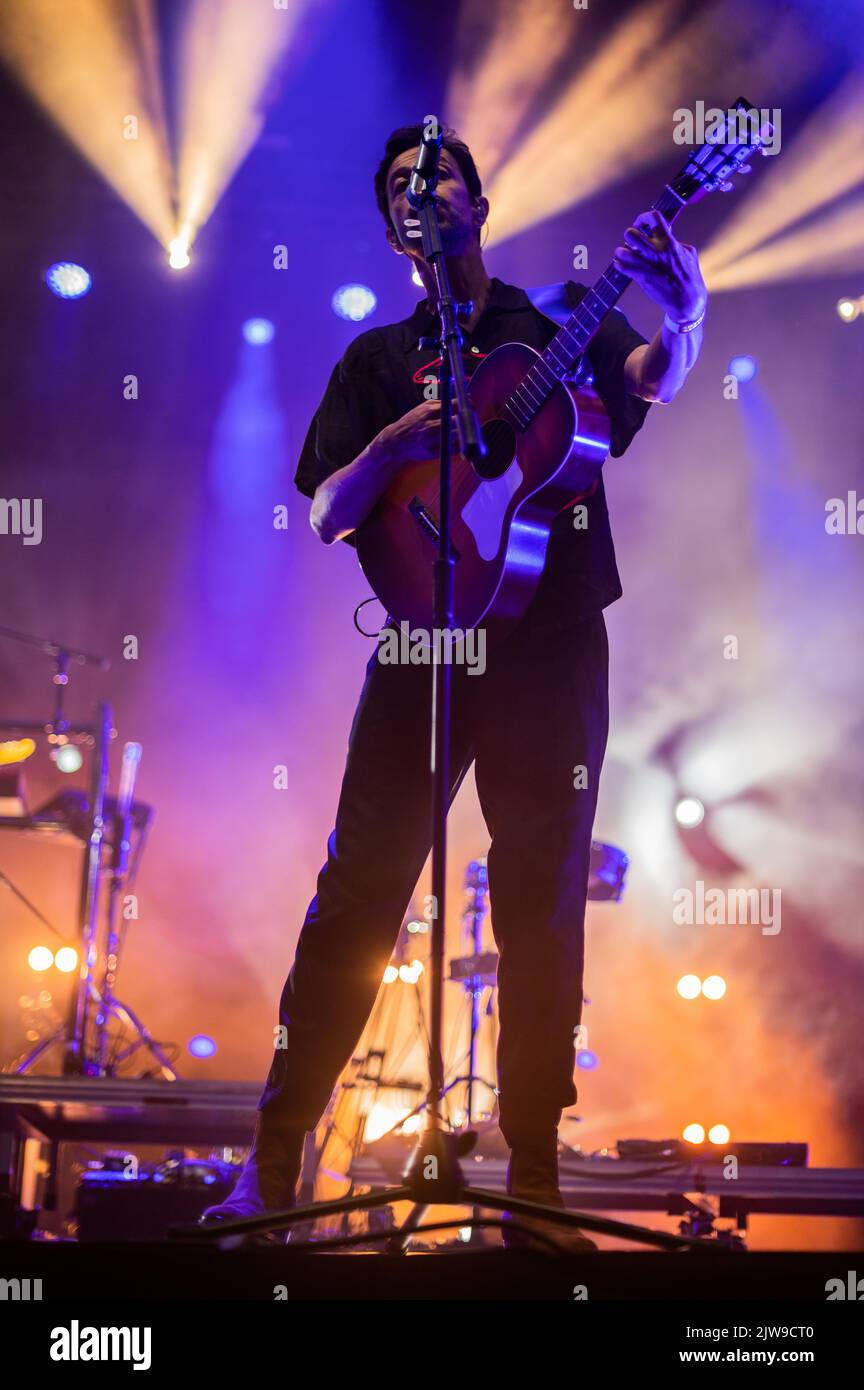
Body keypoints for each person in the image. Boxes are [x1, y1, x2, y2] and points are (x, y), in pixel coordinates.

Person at [203, 123, 707, 1248]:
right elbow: (331, 509)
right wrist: (393, 443)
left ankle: (532, 1170)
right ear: (393, 228)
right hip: (425, 637)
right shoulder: (376, 360)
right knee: (356, 895)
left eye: (437, 177)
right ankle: (274, 1159)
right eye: (397, 187)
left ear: (478, 203)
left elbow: (645, 387)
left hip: (551, 640)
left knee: (542, 901)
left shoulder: (552, 326)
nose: (419, 193)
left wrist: (690, 314)